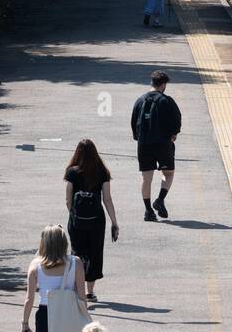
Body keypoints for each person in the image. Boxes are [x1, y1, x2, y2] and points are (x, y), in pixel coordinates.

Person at [65, 139, 119, 301]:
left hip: (76, 220)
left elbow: (68, 200)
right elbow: (107, 199)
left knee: (78, 253)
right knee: (95, 253)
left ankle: (77, 289)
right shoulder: (102, 171)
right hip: (96, 220)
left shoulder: (72, 172)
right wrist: (114, 222)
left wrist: (74, 214)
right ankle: (89, 292)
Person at [131, 70, 182, 222]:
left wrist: (138, 138)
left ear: (152, 82)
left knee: (146, 178)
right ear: (164, 84)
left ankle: (148, 211)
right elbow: (176, 120)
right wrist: (174, 134)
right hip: (163, 144)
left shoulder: (140, 100)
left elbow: (134, 121)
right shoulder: (167, 101)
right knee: (168, 173)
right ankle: (160, 199)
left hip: (144, 144)